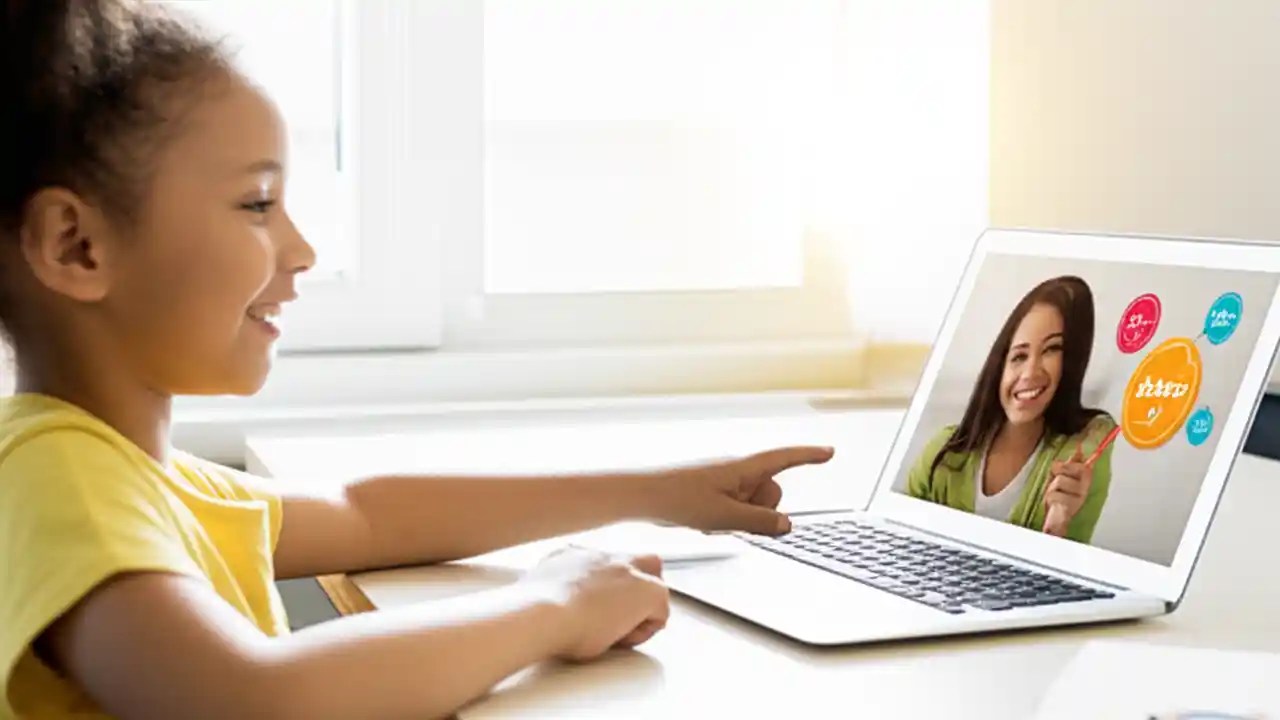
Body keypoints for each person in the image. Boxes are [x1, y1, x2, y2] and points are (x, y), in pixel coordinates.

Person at [0, 2, 834, 718]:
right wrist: (551, 607)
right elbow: (253, 700)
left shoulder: (120, 472)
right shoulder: (55, 478)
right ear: (77, 247)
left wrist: (660, 492)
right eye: (257, 204)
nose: (301, 248)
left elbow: (368, 514)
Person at [905, 275, 1117, 543]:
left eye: (1051, 349)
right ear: (999, 367)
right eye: (1019, 356)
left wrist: (1059, 524)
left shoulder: (1083, 453)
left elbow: (1061, 577)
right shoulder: (942, 451)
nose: (1029, 373)